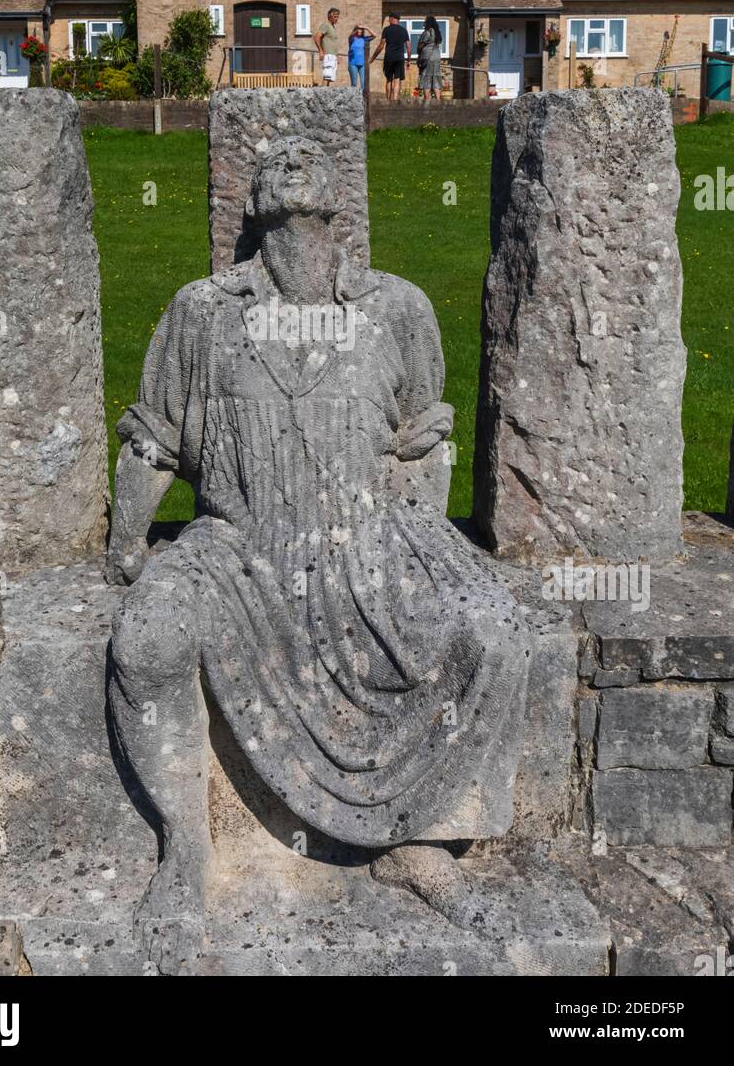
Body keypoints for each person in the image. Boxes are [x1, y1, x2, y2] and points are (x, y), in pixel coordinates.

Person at [106, 136, 530, 974]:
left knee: (494, 631)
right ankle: (186, 854)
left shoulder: (397, 307)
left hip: (367, 532)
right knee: (146, 640)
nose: (292, 157)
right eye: (276, 157)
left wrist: (412, 537)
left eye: (309, 151)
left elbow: (421, 442)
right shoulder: (203, 309)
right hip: (237, 543)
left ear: (342, 192)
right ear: (251, 198)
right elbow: (152, 440)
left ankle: (418, 845)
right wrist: (126, 546)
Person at [370, 11, 411, 100]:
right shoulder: (404, 30)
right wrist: (408, 60)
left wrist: (373, 58)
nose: (388, 21)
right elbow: (408, 46)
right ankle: (395, 101)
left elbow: (381, 45)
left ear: (392, 18)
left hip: (389, 57)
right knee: (397, 79)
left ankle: (388, 101)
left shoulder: (386, 30)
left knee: (389, 79)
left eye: (389, 19)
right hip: (399, 58)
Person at [417, 16, 443, 102]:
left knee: (426, 77)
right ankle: (438, 99)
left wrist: (418, 46)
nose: (424, 23)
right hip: (437, 56)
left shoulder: (427, 32)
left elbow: (421, 45)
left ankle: (427, 100)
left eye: (425, 21)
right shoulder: (437, 33)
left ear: (428, 23)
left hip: (427, 57)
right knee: (436, 76)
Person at [314, 8, 341, 85]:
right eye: (335, 16)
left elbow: (333, 43)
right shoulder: (326, 25)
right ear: (330, 16)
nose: (337, 19)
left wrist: (337, 56)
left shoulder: (333, 27)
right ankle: (322, 95)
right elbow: (316, 37)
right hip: (328, 55)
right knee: (326, 77)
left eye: (337, 17)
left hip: (333, 56)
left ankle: (326, 96)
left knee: (329, 78)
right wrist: (321, 51)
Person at [347, 25, 375, 89]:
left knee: (363, 84)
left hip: (362, 64)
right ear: (356, 30)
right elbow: (350, 35)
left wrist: (366, 27)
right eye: (358, 29)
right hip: (353, 64)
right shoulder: (352, 39)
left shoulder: (365, 39)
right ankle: (353, 98)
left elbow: (374, 35)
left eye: (361, 29)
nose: (360, 30)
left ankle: (362, 98)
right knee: (354, 83)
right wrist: (356, 27)